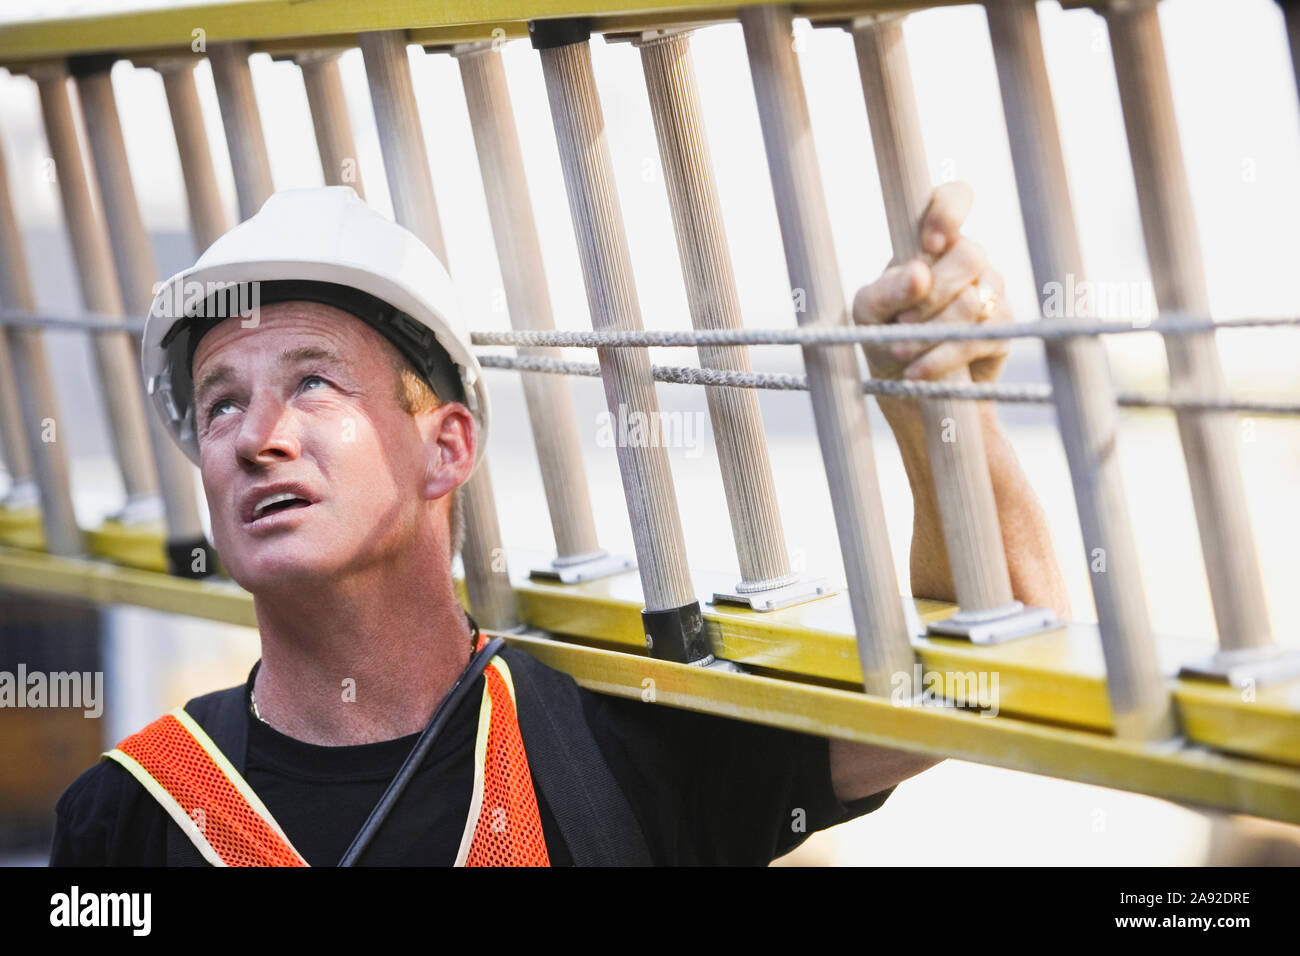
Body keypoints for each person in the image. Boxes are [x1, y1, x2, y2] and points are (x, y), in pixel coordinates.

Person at [49, 184, 1068, 866]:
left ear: (446, 446)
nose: (255, 436)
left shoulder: (615, 749)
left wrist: (940, 414)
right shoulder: (127, 819)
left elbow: (990, 673)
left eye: (312, 382)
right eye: (221, 401)